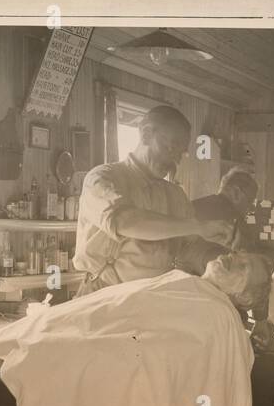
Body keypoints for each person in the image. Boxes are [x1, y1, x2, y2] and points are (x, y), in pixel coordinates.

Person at [0, 251, 272, 406]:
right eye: (238, 253)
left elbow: (167, 366)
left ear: (245, 297)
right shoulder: (182, 282)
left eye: (244, 265)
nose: (233, 256)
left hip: (37, 377)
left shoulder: (219, 319)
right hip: (22, 349)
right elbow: (105, 309)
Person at [72, 104, 230, 298]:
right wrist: (197, 226)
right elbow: (125, 222)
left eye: (181, 153)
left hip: (153, 299)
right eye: (171, 147)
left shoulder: (176, 195)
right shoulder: (102, 178)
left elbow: (190, 248)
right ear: (146, 134)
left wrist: (223, 259)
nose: (176, 160)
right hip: (103, 296)